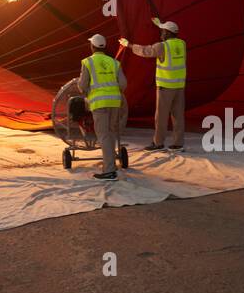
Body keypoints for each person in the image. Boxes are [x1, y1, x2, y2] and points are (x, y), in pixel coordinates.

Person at [121, 18, 187, 151]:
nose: (161, 33)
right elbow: (170, 35)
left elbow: (145, 51)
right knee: (178, 116)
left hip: (165, 87)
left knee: (161, 117)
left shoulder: (162, 46)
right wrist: (159, 24)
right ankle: (178, 144)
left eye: (163, 31)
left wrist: (129, 45)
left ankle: (158, 143)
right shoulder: (181, 44)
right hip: (179, 87)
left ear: (168, 33)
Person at [76, 33, 127, 180]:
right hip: (115, 102)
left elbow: (82, 85)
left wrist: (88, 93)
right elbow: (123, 84)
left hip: (99, 103)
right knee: (110, 134)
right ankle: (110, 165)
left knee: (103, 136)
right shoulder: (114, 63)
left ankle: (109, 170)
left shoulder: (88, 62)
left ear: (92, 46)